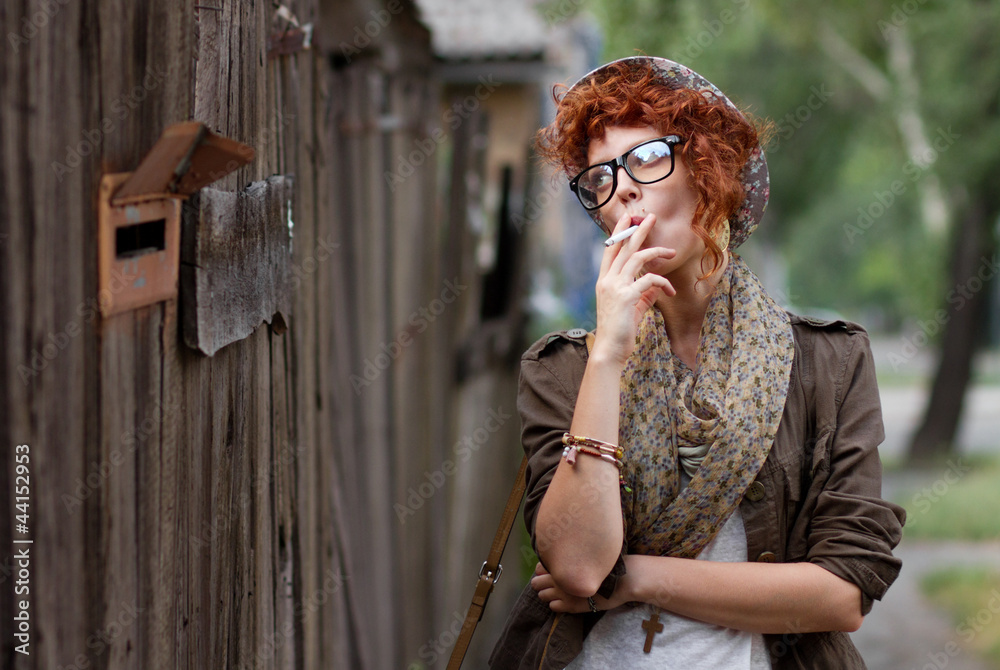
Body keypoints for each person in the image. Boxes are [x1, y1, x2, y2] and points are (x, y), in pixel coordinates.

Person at [489, 57, 905, 669]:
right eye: (599, 177)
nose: (622, 186)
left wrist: (635, 578)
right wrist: (608, 355)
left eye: (648, 157)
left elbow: (841, 595)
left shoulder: (828, 364)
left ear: (713, 170)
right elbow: (577, 567)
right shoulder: (565, 369)